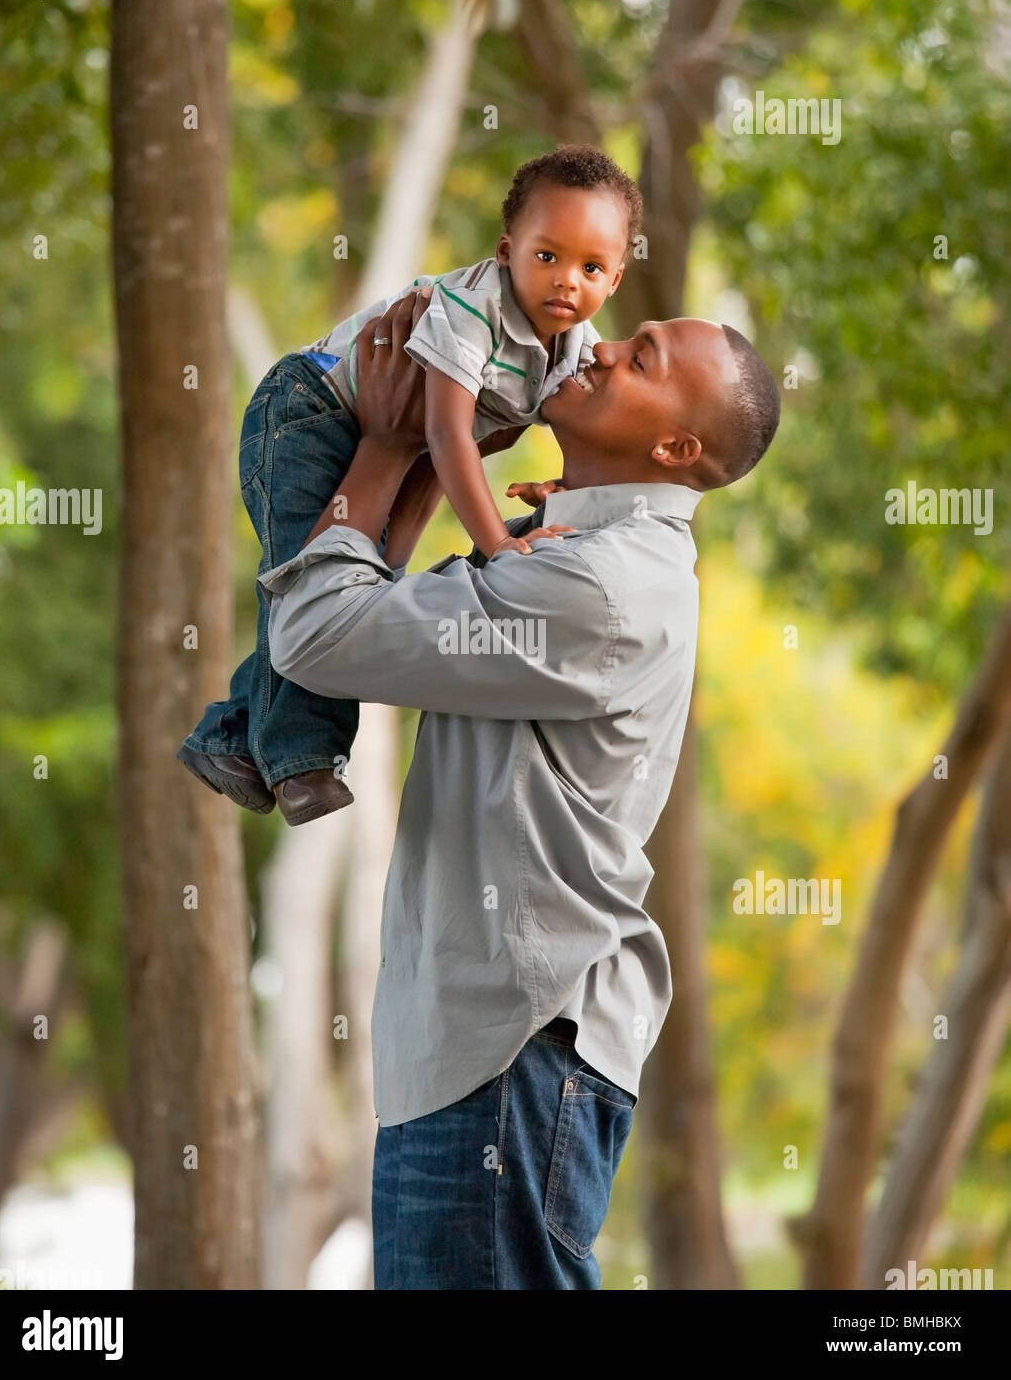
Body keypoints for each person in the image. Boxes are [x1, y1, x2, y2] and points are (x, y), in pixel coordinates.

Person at [255, 287, 782, 1289]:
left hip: (512, 1047)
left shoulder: (602, 585)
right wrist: (421, 455)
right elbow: (370, 617)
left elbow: (319, 636)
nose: (602, 345)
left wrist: (380, 443)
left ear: (675, 451)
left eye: (643, 358)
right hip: (488, 1050)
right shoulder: (573, 550)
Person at [177, 144, 642, 826]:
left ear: (616, 278)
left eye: (590, 267)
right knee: (309, 575)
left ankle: (227, 739)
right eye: (546, 256)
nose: (565, 281)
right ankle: (302, 761)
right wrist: (496, 543)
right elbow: (449, 435)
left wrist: (563, 489)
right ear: (507, 250)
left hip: (384, 439)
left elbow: (564, 428)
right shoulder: (471, 311)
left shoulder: (572, 342)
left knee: (355, 583)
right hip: (308, 415)